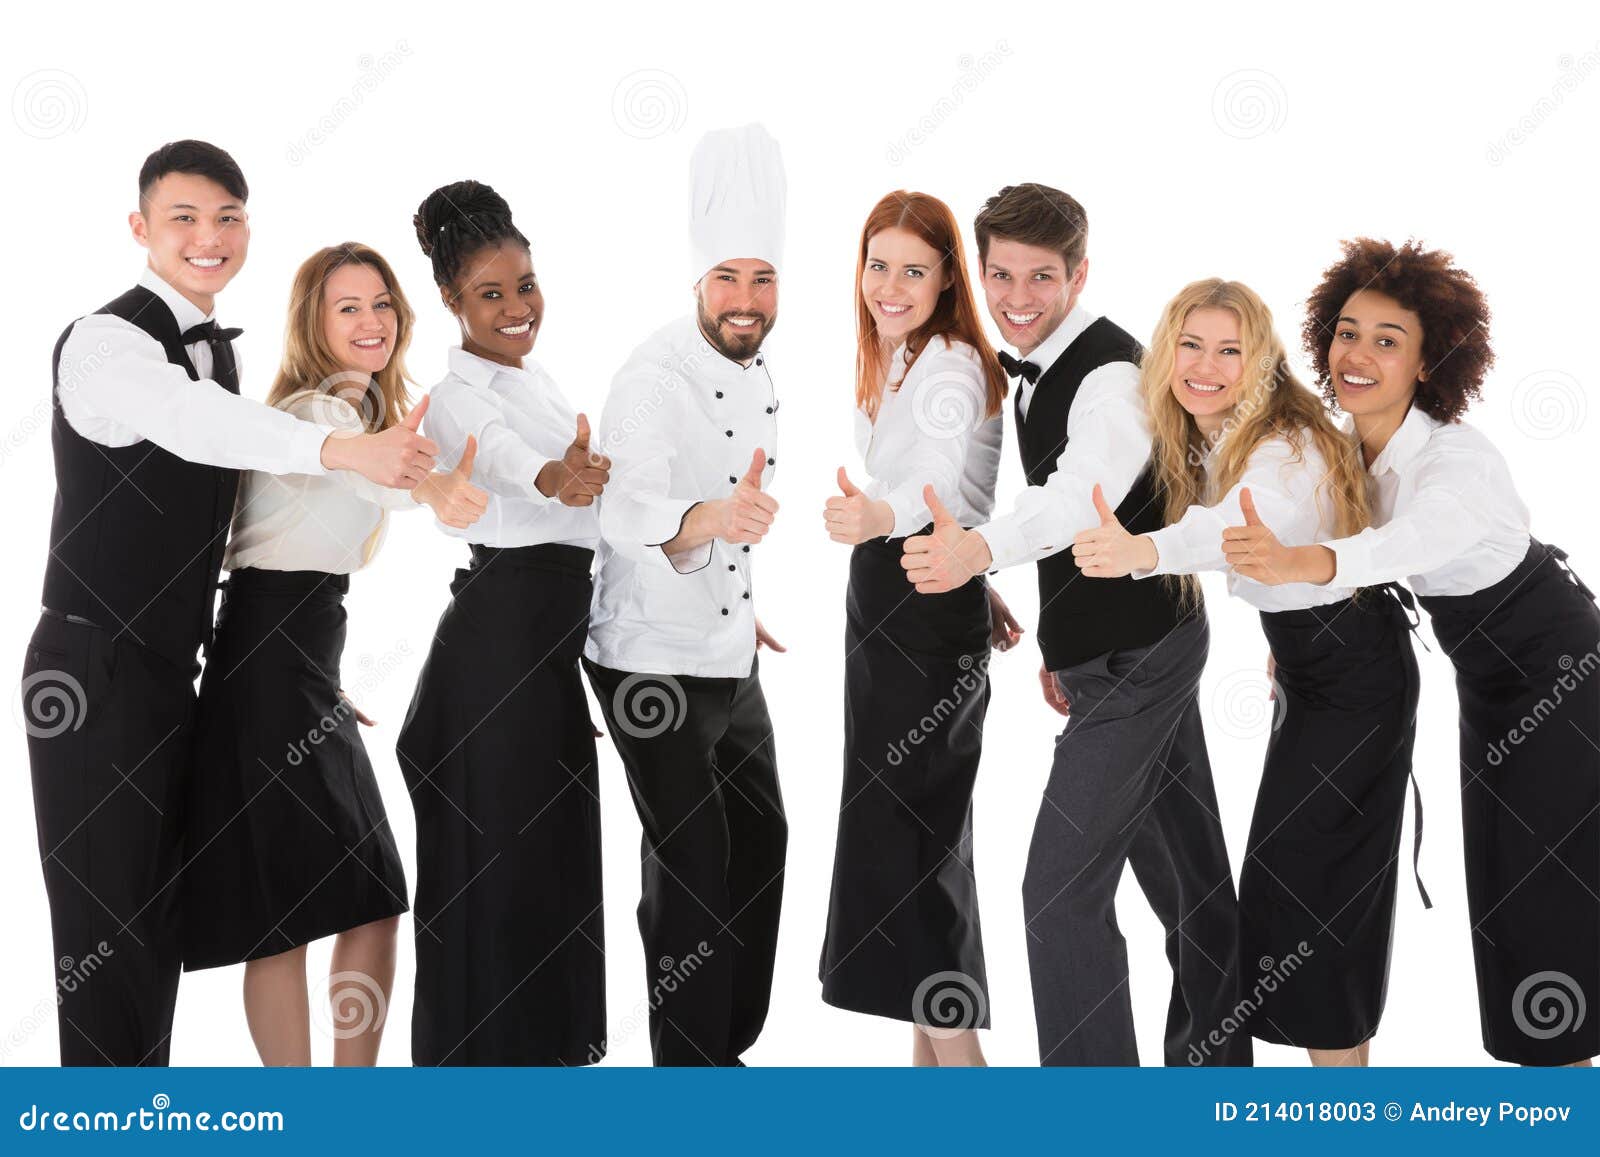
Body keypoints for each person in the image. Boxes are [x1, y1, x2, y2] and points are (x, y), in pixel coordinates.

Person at [22, 140, 436, 1066]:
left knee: (153, 919)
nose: (209, 238)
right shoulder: (107, 342)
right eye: (184, 218)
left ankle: (145, 1115)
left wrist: (291, 677)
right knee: (107, 923)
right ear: (141, 229)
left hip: (182, 669)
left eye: (228, 218)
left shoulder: (214, 358)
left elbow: (239, 539)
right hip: (94, 664)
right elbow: (194, 426)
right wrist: (344, 451)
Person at [1220, 239, 1598, 1067]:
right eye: (1347, 332)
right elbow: (1303, 530)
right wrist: (1289, 628)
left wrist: (1308, 564)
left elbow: (1412, 541)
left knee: (1545, 903)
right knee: (1502, 888)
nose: (1357, 354)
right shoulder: (1343, 445)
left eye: (1388, 340)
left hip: (1563, 679)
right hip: (1489, 685)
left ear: (1430, 364)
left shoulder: (1455, 460)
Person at [900, 183, 1249, 1066]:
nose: (1018, 298)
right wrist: (1064, 643)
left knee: (1058, 893)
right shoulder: (1036, 364)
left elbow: (1071, 501)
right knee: (1191, 887)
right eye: (1001, 275)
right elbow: (1079, 524)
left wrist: (978, 552)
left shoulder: (1113, 377)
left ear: (1080, 273)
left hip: (1145, 652)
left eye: (1042, 278)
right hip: (1114, 650)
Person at [1070, 278, 1423, 1065]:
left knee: (1316, 896)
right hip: (1310, 664)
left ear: (1259, 361)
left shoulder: (1281, 441)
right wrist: (1291, 627)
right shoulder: (1210, 431)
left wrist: (1144, 552)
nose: (1207, 365)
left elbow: (1239, 524)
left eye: (1230, 349)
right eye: (1191, 345)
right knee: (1292, 890)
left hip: (1356, 677)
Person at [181, 242, 486, 1065]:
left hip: (293, 665)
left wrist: (315, 674)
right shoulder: (320, 416)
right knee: (308, 905)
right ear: (314, 323)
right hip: (273, 669)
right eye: (347, 306)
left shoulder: (351, 416)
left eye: (381, 303)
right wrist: (430, 482)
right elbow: (380, 480)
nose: (370, 320)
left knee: (353, 897)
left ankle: (342, 1111)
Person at [582, 123, 789, 1066]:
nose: (745, 302)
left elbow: (730, 514)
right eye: (728, 282)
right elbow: (625, 508)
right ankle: (689, 1073)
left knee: (763, 836)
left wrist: (742, 601)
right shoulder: (652, 376)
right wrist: (715, 521)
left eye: (761, 280)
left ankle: (725, 1044)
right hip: (647, 658)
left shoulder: (757, 368)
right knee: (691, 864)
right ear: (697, 283)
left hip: (726, 650)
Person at [395, 180, 611, 1066]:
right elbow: (518, 463)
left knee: (545, 854)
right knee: (501, 865)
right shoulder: (456, 394)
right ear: (451, 301)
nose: (518, 307)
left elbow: (583, 491)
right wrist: (558, 478)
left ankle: (544, 1067)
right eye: (492, 294)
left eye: (525, 284)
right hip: (500, 650)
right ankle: (481, 1077)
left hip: (543, 648)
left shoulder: (538, 376)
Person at [817, 190, 1019, 1066]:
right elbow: (957, 501)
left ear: (947, 277)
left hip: (916, 598)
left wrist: (877, 515)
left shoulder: (944, 365)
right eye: (877, 264)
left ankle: (967, 1079)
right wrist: (980, 576)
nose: (890, 285)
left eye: (913, 268)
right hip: (912, 593)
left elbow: (933, 478)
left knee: (913, 837)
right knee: (907, 834)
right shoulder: (901, 355)